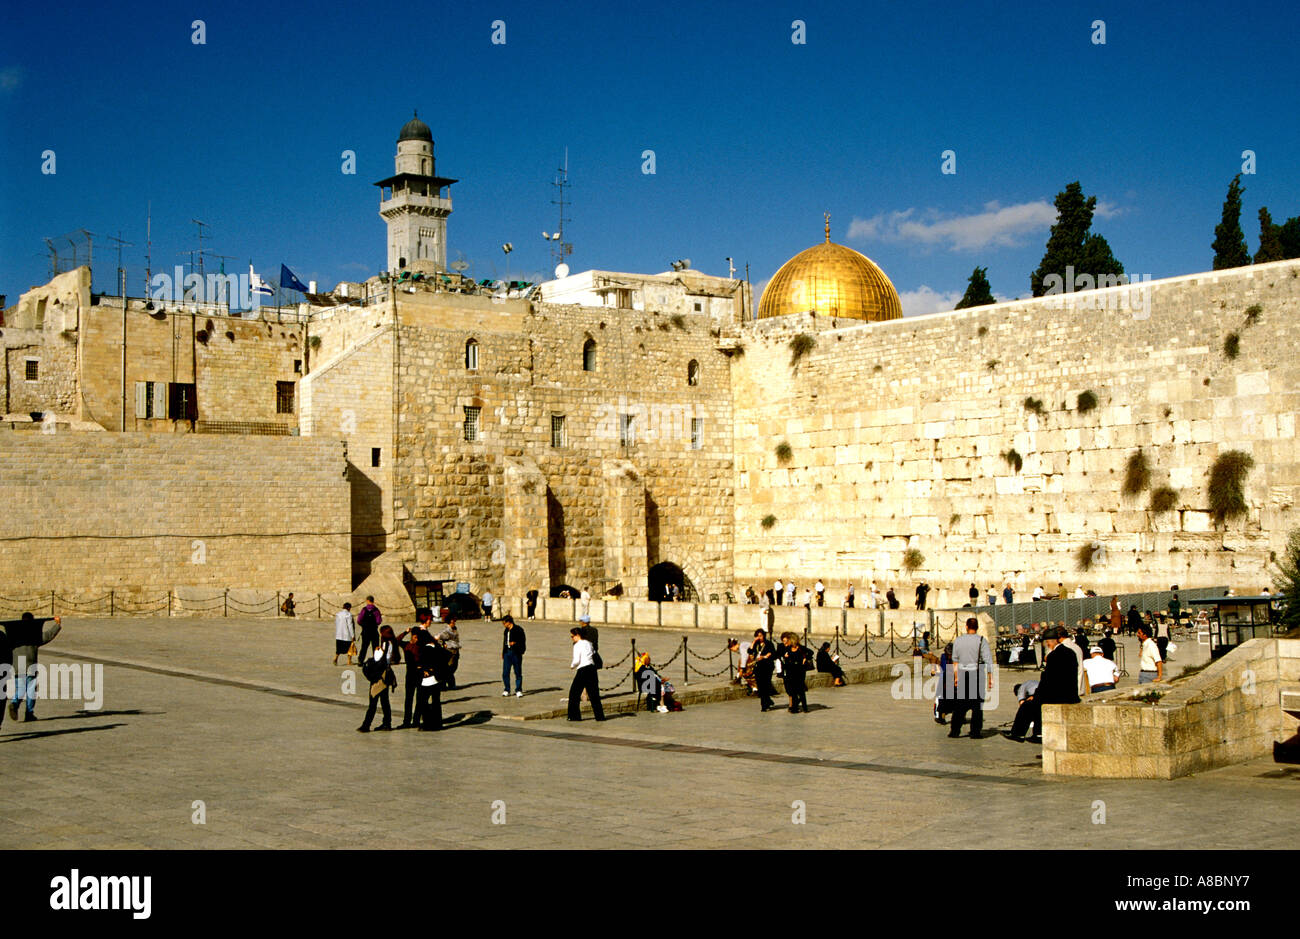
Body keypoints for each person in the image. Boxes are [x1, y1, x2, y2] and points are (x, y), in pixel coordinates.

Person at [3, 613, 61, 723]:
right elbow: (48, 636)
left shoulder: (13, 637)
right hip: (31, 664)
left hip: (17, 665)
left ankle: (15, 703)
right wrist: (57, 624)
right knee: (30, 690)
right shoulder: (34, 636)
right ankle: (28, 713)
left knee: (20, 687)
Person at [948, 618, 992, 739]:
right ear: (977, 627)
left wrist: (956, 678)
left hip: (962, 674)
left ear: (966, 626)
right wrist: (990, 678)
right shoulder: (982, 641)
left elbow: (955, 661)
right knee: (977, 706)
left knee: (960, 706)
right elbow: (988, 660)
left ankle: (954, 731)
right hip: (976, 674)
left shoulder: (958, 640)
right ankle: (975, 732)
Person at [358, 627, 397, 732]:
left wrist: (377, 652)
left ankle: (366, 725)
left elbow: (379, 660)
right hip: (385, 674)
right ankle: (387, 723)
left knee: (373, 701)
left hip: (379, 675)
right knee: (384, 701)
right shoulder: (391, 643)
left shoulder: (386, 644)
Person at [397, 614, 432, 728]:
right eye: (415, 637)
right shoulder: (406, 645)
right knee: (408, 699)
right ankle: (406, 721)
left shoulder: (422, 646)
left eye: (418, 637)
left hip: (419, 673)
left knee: (419, 698)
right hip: (410, 674)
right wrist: (405, 631)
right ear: (413, 636)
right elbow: (396, 640)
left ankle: (416, 720)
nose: (417, 639)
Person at [567, 626, 605, 721]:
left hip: (583, 670)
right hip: (592, 669)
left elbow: (576, 660)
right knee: (594, 694)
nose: (572, 638)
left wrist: (572, 666)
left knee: (574, 693)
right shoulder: (589, 643)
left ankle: (574, 716)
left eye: (572, 636)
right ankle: (600, 716)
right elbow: (593, 654)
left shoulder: (577, 645)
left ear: (577, 635)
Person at [780, 632, 813, 713]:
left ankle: (805, 707)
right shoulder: (788, 648)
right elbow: (784, 657)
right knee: (793, 690)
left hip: (800, 670)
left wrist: (805, 659)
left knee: (800, 690)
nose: (787, 642)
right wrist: (785, 656)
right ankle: (794, 708)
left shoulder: (801, 648)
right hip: (790, 670)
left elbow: (811, 652)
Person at [750, 628, 780, 712]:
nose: (759, 637)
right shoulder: (756, 644)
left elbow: (774, 654)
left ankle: (764, 705)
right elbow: (750, 651)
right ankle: (767, 701)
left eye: (761, 635)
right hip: (758, 667)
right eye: (757, 636)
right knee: (760, 686)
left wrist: (765, 656)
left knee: (766, 685)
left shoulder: (769, 644)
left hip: (767, 667)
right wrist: (753, 642)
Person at [501, 614, 526, 697]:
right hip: (507, 653)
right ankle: (507, 689)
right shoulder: (506, 631)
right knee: (505, 672)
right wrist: (503, 652)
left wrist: (515, 644)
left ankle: (518, 689)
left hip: (516, 653)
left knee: (518, 672)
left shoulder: (518, 630)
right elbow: (504, 642)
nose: (504, 625)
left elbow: (522, 641)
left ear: (509, 622)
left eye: (504, 623)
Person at [356, 596, 382, 663]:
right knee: (375, 647)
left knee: (364, 647)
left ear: (367, 600)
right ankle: (376, 660)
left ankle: (360, 660)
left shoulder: (364, 610)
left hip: (365, 631)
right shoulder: (376, 610)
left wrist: (364, 625)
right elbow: (379, 621)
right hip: (374, 631)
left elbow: (359, 620)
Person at [437, 619, 461, 690]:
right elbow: (438, 638)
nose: (454, 623)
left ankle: (446, 683)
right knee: (449, 668)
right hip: (449, 651)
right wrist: (443, 645)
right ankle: (448, 684)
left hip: (455, 650)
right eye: (453, 621)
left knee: (454, 667)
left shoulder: (454, 629)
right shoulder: (446, 631)